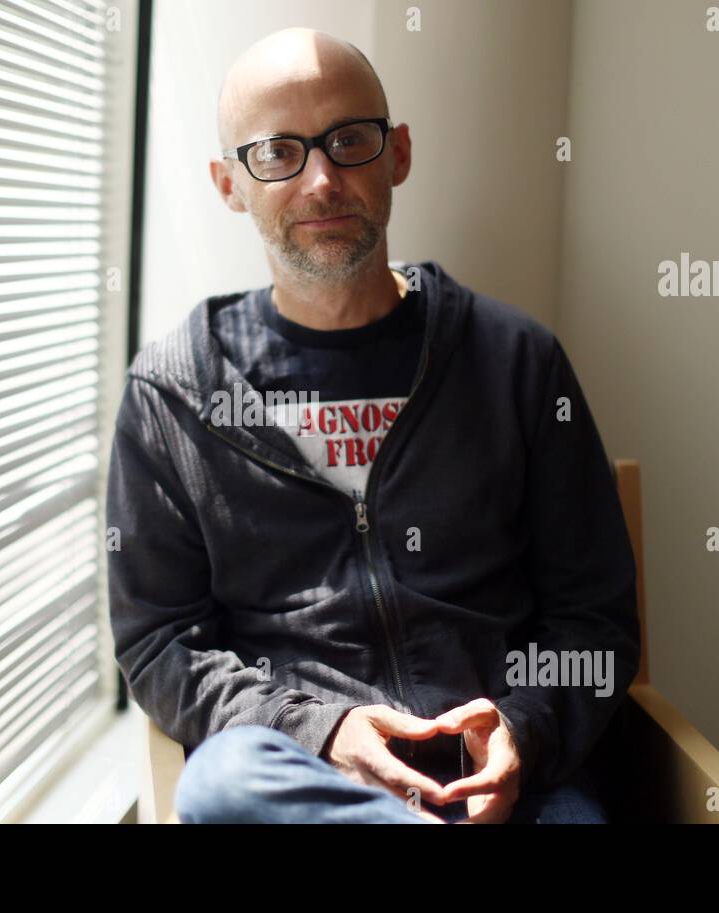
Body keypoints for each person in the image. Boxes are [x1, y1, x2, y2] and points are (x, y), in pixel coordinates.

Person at [106, 28, 640, 824]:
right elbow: (159, 644)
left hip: (503, 781)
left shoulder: (516, 360)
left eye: (349, 140)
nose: (321, 180)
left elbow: (594, 617)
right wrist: (323, 730)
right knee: (224, 783)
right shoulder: (173, 393)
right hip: (305, 778)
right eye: (278, 152)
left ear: (398, 154)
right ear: (229, 184)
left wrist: (519, 732)